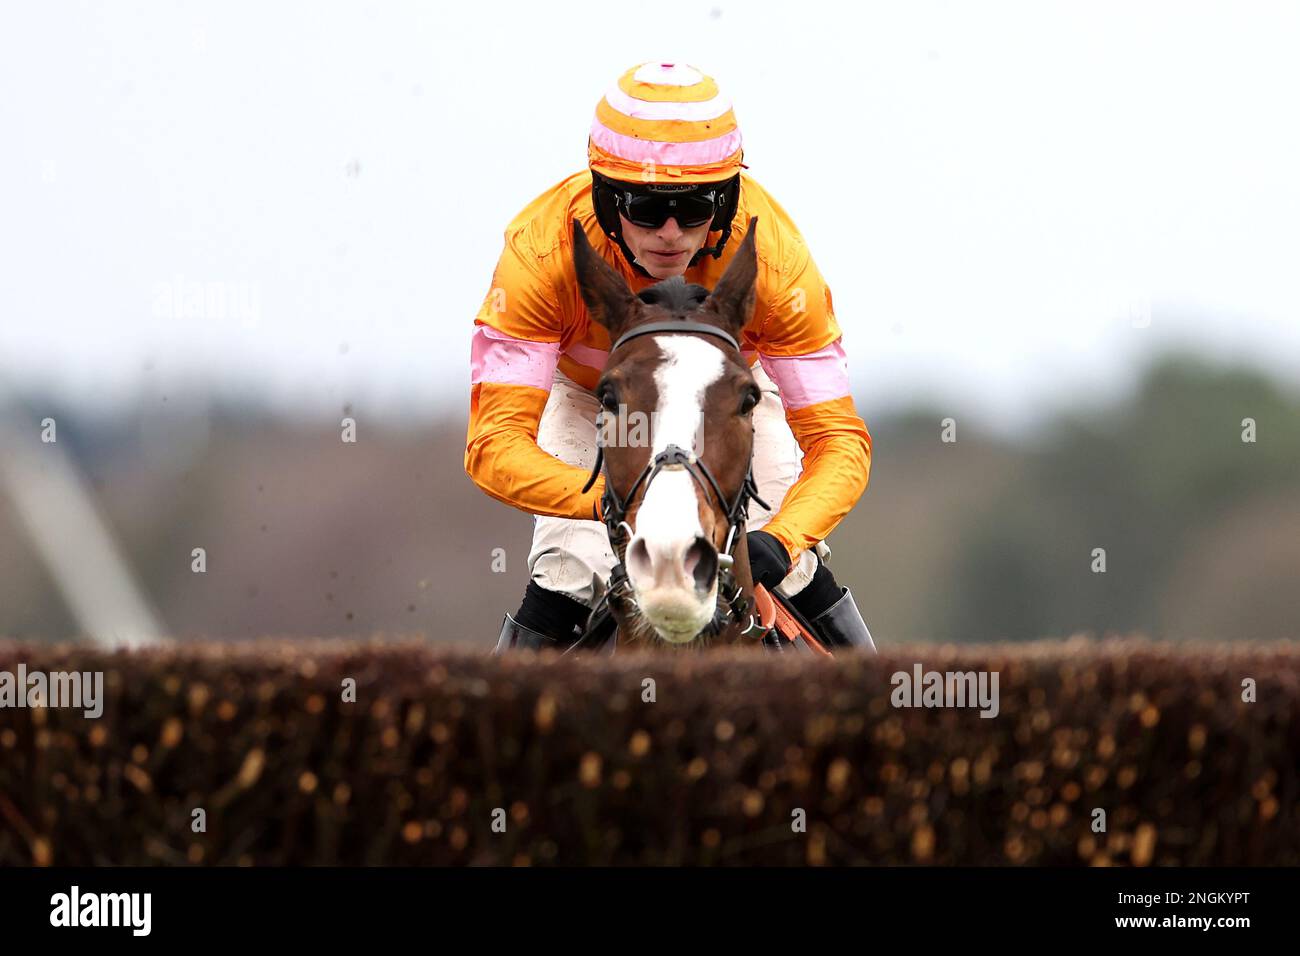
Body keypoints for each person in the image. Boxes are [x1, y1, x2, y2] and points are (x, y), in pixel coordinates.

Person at [466, 62, 875, 652]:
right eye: (645, 207)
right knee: (569, 569)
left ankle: (892, 727)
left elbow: (839, 442)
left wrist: (782, 540)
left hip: (721, 397)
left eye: (696, 206)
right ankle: (496, 745)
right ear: (606, 199)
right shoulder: (540, 255)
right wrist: (616, 500)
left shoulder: (779, 265)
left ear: (728, 198)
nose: (671, 232)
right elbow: (494, 446)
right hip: (599, 401)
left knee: (796, 572)